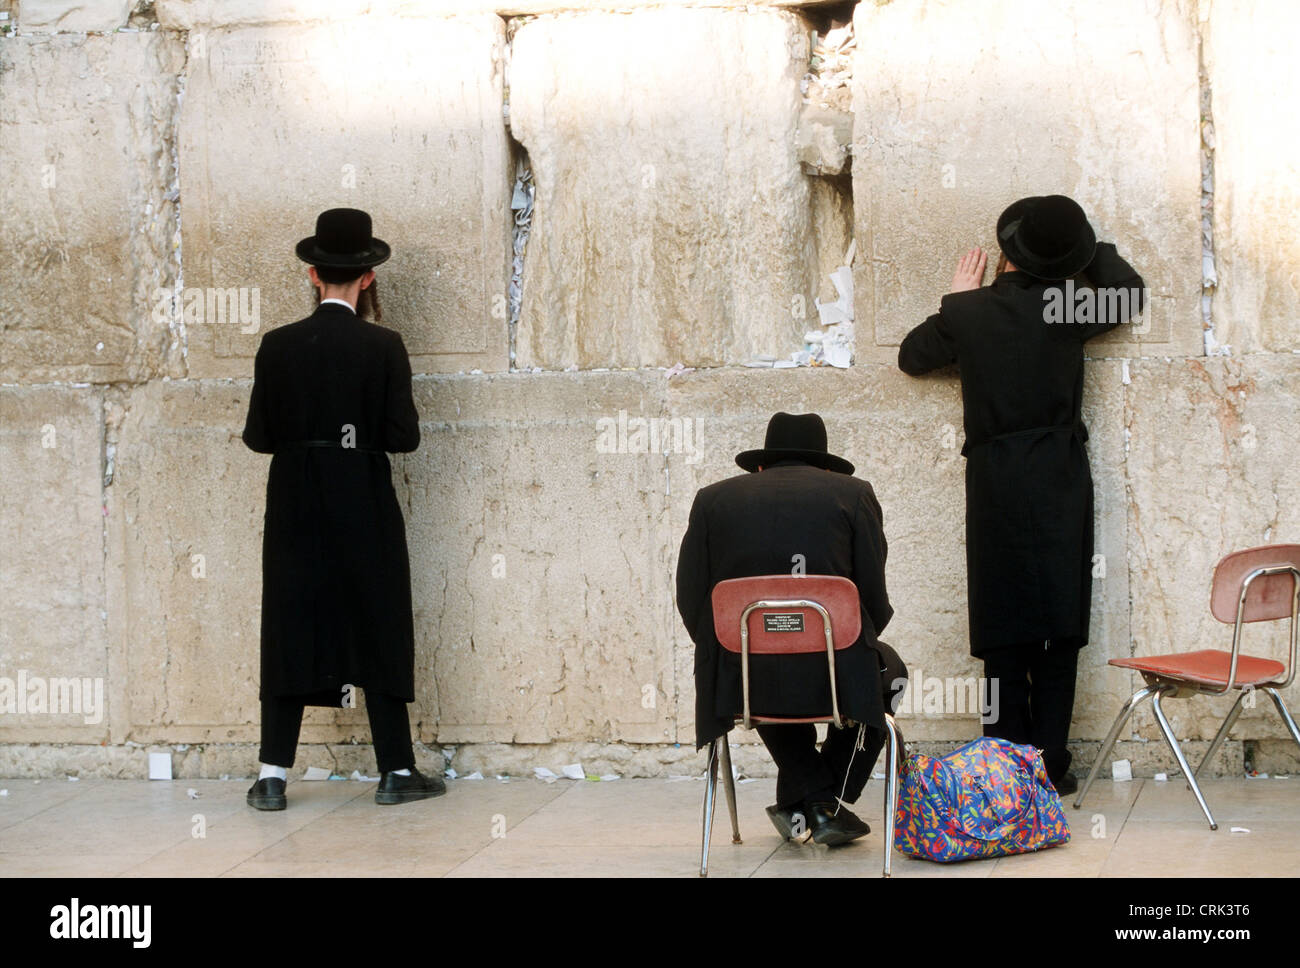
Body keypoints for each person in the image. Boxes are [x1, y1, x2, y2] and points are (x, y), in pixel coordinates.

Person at [897, 194, 1146, 795]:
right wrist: (1089, 250)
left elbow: (913, 357)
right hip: (1060, 476)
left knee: (1002, 623)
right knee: (1059, 622)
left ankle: (1004, 764)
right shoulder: (1068, 307)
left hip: (996, 479)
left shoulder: (969, 311)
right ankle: (1049, 764)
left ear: (1005, 251)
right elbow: (1129, 290)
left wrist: (954, 301)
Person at [242, 207, 444, 809]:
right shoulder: (383, 344)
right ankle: (396, 772)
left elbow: (258, 436)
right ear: (368, 277)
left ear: (311, 274)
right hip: (361, 495)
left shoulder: (277, 345)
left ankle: (273, 775)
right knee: (376, 619)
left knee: (288, 624)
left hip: (296, 497)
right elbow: (403, 436)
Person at [676, 412, 907, 846]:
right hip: (834, 671)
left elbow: (690, 598)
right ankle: (824, 803)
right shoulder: (853, 494)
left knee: (761, 668)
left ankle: (806, 798)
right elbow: (873, 601)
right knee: (889, 673)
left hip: (742, 674)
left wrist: (731, 647)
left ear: (761, 465)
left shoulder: (711, 500)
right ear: (823, 467)